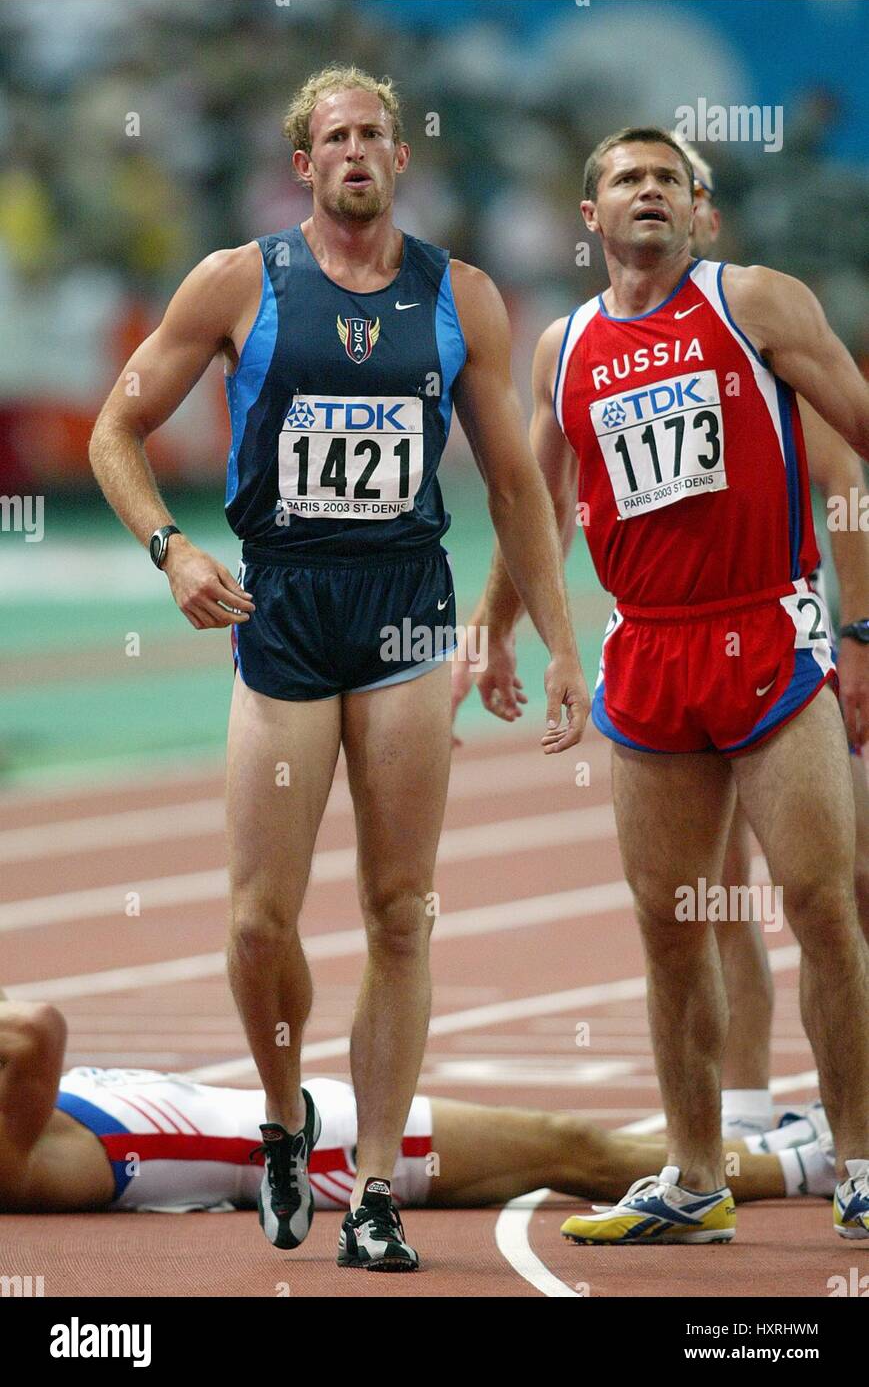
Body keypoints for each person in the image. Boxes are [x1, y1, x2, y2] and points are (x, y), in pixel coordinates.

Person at [88, 66, 588, 1272]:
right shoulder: (235, 281)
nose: (357, 150)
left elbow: (517, 488)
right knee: (261, 917)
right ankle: (280, 1113)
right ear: (302, 165)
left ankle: (372, 1186)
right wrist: (170, 549)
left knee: (398, 910)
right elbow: (116, 426)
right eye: (334, 137)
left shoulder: (458, 297)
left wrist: (557, 639)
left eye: (374, 133)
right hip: (284, 605)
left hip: (406, 613)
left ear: (399, 158)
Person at [452, 126, 869, 1244]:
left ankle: (862, 1162)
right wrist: (496, 633)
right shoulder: (565, 346)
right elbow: (533, 511)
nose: (646, 192)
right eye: (624, 180)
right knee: (670, 924)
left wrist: (863, 626)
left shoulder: (757, 304)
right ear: (587, 218)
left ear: (701, 214)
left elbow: (856, 441)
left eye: (667, 181)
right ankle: (693, 1179)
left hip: (769, 639)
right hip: (649, 649)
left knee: (820, 906)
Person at [0, 994, 835, 1240]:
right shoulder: (13, 1152)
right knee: (569, 1149)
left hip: (307, 1125)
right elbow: (37, 1023)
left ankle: (765, 1149)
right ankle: (806, 1169)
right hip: (322, 1156)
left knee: (572, 1143)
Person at [676, 138, 869, 1142]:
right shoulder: (620, 349)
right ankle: (746, 1112)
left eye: (687, 197)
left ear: (709, 221)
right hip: (685, 654)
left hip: (798, 644)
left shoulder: (766, 327)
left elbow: (849, 488)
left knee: (836, 889)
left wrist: (859, 632)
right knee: (711, 891)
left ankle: (856, 1129)